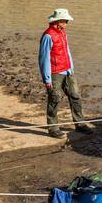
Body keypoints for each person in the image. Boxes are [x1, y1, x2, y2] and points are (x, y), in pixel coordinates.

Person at [39, 8, 93, 137]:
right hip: (55, 72)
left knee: (75, 95)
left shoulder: (63, 33)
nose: (67, 23)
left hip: (68, 70)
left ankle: (80, 124)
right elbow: (44, 58)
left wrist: (71, 68)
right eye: (65, 21)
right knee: (55, 98)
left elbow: (67, 50)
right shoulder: (48, 36)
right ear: (58, 21)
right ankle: (52, 128)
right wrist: (47, 79)